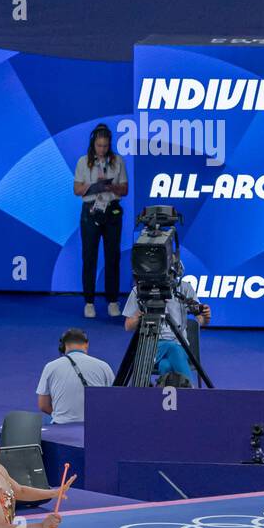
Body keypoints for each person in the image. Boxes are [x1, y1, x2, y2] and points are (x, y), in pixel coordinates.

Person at [74, 123, 128, 318]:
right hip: (90, 212)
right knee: (89, 257)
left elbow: (125, 189)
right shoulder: (83, 162)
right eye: (99, 145)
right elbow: (76, 189)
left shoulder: (118, 161)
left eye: (105, 146)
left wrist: (110, 187)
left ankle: (113, 301)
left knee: (112, 257)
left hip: (112, 212)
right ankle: (89, 302)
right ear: (93, 144)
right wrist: (94, 186)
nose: (102, 149)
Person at [123, 279, 210, 379]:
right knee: (172, 347)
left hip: (180, 345)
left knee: (166, 365)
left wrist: (206, 317)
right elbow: (128, 326)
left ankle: (166, 393)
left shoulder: (185, 288)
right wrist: (139, 315)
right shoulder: (140, 290)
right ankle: (191, 391)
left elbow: (201, 321)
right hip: (150, 347)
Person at [36, 329, 115, 424]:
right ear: (87, 345)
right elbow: (114, 401)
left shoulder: (51, 367)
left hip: (61, 427)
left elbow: (43, 405)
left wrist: (62, 416)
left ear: (63, 346)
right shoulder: (103, 366)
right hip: (95, 426)